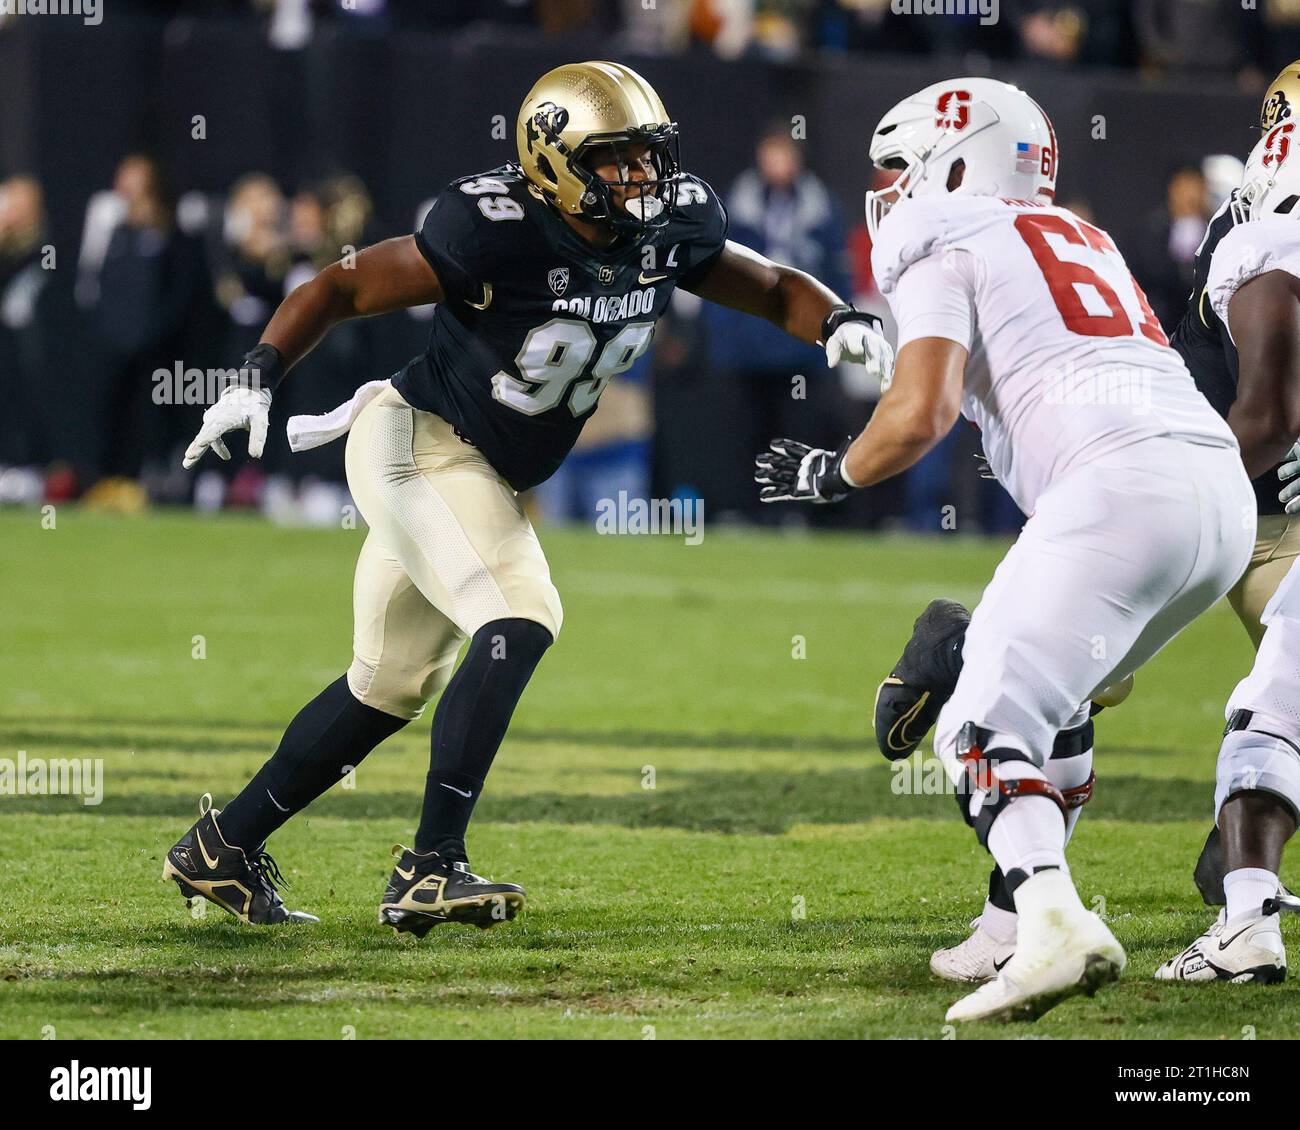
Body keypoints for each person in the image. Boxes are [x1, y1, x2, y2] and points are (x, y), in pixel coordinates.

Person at [162, 60, 893, 934]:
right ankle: (432, 867)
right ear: (553, 162)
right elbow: (343, 285)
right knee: (520, 614)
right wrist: (257, 375)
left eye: (649, 157)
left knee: (387, 684)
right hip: (417, 445)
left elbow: (770, 285)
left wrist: (838, 322)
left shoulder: (665, 228)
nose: (645, 179)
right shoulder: (494, 229)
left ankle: (225, 845)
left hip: (481, 466)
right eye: (619, 160)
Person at [755, 77, 1253, 1022]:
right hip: (1214, 491)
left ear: (956, 159)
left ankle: (1056, 923)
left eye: (902, 167)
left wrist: (833, 475)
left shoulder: (940, 235)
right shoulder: (1082, 235)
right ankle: (1003, 925)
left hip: (1115, 489)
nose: (892, 189)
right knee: (1050, 699)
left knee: (977, 730)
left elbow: (920, 412)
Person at [1156, 129, 1300, 983]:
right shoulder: (1253, 237)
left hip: (1246, 512)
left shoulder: (1266, 239)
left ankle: (1247, 911)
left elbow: (1271, 417)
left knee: (1269, 723)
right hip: (1242, 508)